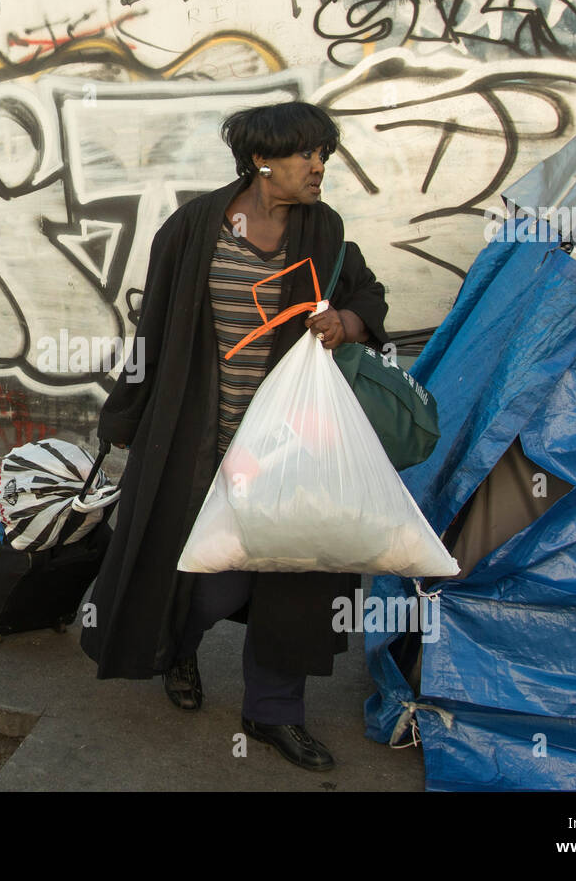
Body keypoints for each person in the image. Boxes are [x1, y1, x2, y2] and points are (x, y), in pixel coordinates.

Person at [80, 101, 389, 771]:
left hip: (293, 450)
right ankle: (176, 649)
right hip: (199, 443)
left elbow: (368, 298)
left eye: (323, 153)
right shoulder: (194, 228)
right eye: (306, 153)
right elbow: (152, 334)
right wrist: (126, 418)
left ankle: (274, 712)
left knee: (292, 581)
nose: (319, 166)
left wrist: (350, 325)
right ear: (260, 160)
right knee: (199, 575)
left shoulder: (325, 231)